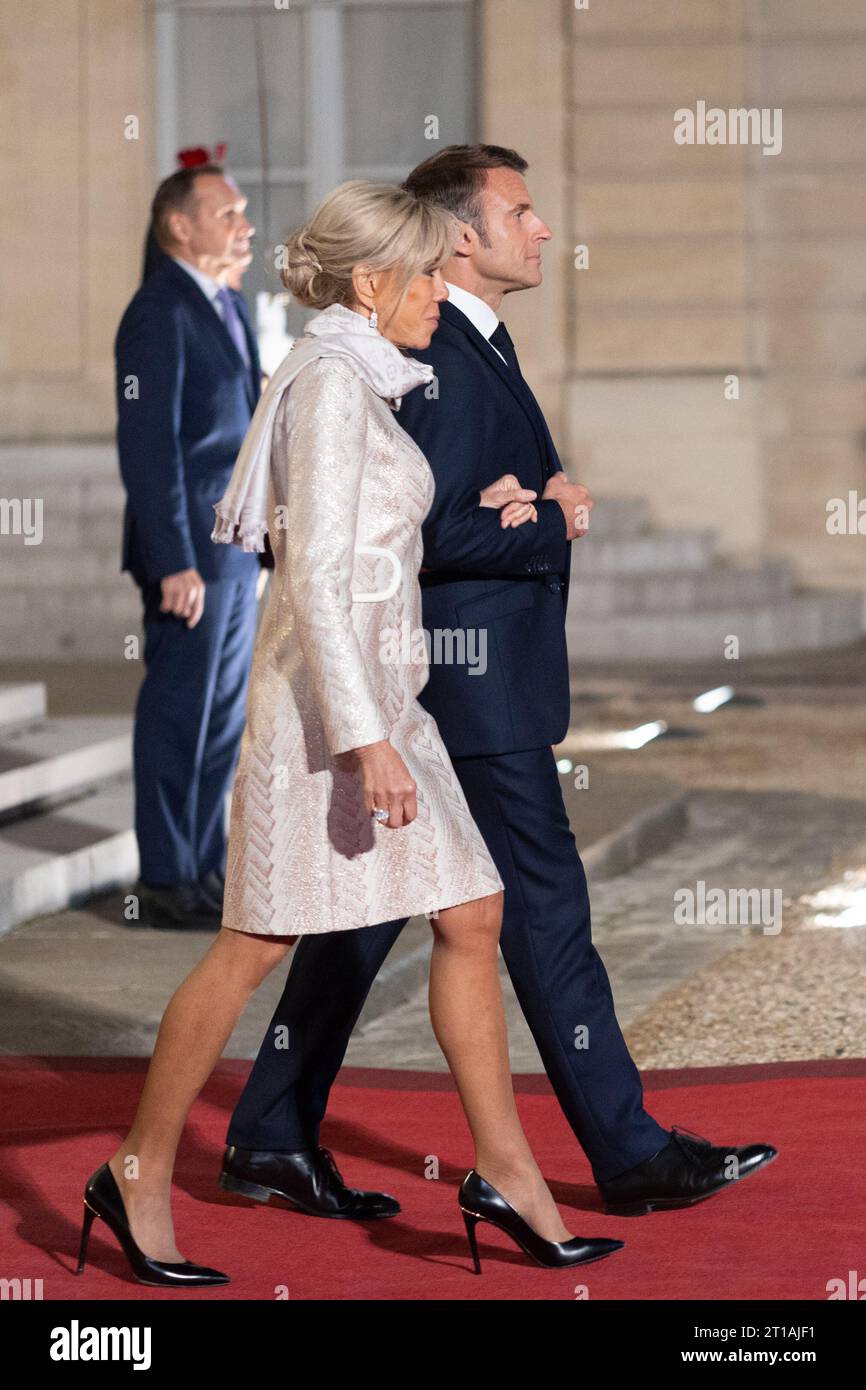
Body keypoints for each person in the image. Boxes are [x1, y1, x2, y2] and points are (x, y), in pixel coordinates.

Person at [76, 180, 624, 1287]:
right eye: (424, 272)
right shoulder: (330, 383)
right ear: (372, 282)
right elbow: (317, 582)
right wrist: (367, 739)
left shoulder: (363, 374)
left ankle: (505, 1171)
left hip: (385, 700)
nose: (440, 289)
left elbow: (377, 549)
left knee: (472, 909)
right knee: (253, 945)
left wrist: (499, 514)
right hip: (324, 716)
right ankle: (136, 1169)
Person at [223, 145, 777, 1222]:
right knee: (540, 908)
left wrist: (536, 503)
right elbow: (400, 528)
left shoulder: (476, 339)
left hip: (466, 684)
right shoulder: (421, 353)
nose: (540, 230)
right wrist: (531, 524)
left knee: (367, 918)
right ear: (458, 236)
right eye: (519, 212)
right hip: (463, 692)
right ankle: (625, 1152)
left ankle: (268, 1130)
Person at [116, 164, 262, 930]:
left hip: (235, 548)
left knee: (221, 719)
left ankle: (204, 866)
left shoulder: (226, 304)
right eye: (227, 211)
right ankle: (167, 876)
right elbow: (150, 449)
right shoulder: (159, 309)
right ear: (180, 224)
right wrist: (173, 558)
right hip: (191, 556)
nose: (244, 224)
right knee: (181, 712)